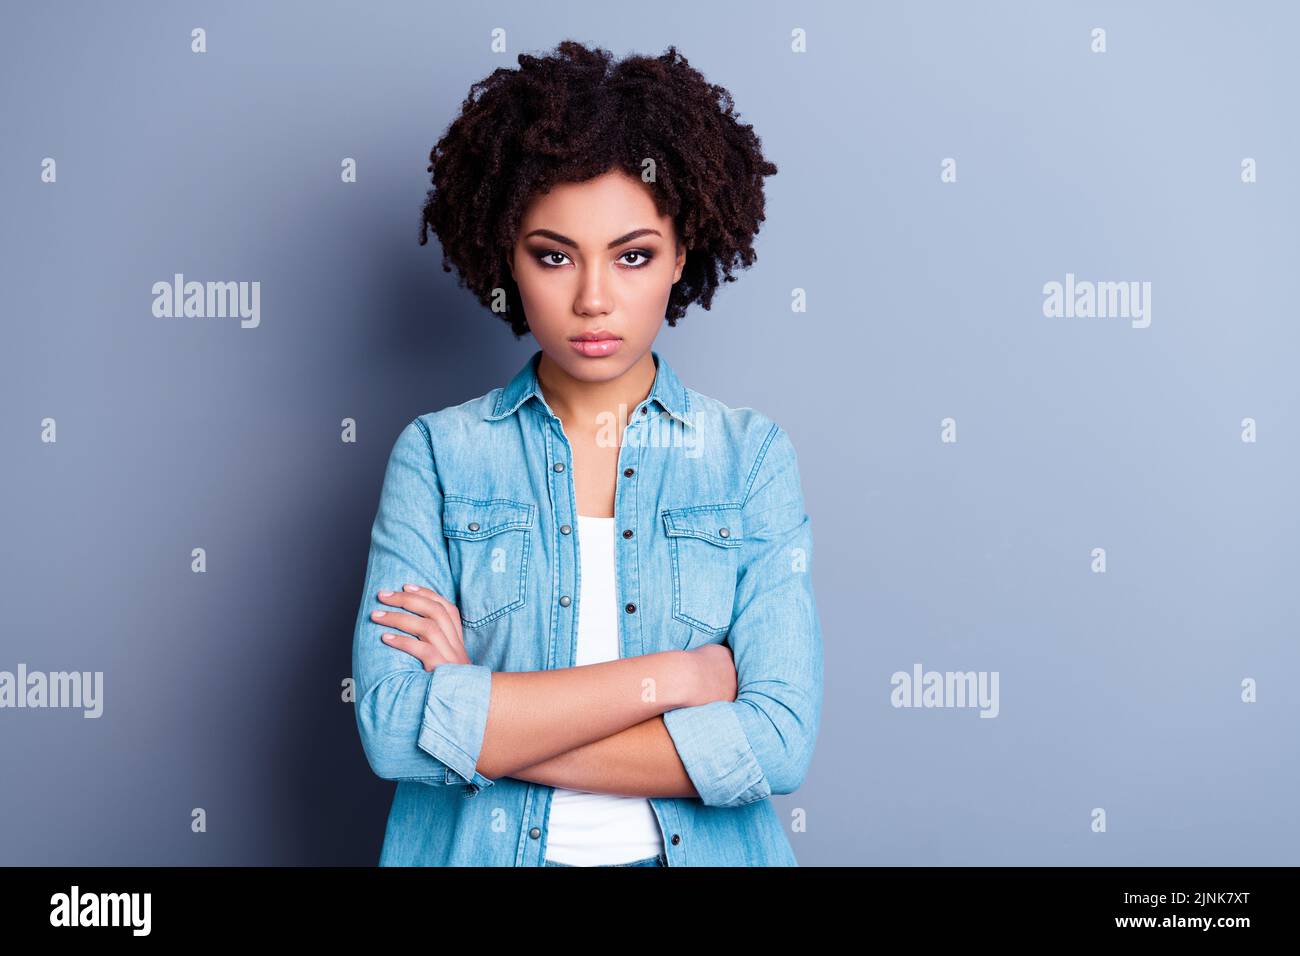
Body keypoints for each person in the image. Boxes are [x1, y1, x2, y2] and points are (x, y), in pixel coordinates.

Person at [351, 39, 823, 867]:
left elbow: (777, 742)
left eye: (633, 255)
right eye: (554, 255)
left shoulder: (748, 460)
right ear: (508, 255)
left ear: (683, 253)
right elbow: (393, 732)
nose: (594, 298)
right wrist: (678, 679)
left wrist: (480, 720)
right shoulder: (438, 455)